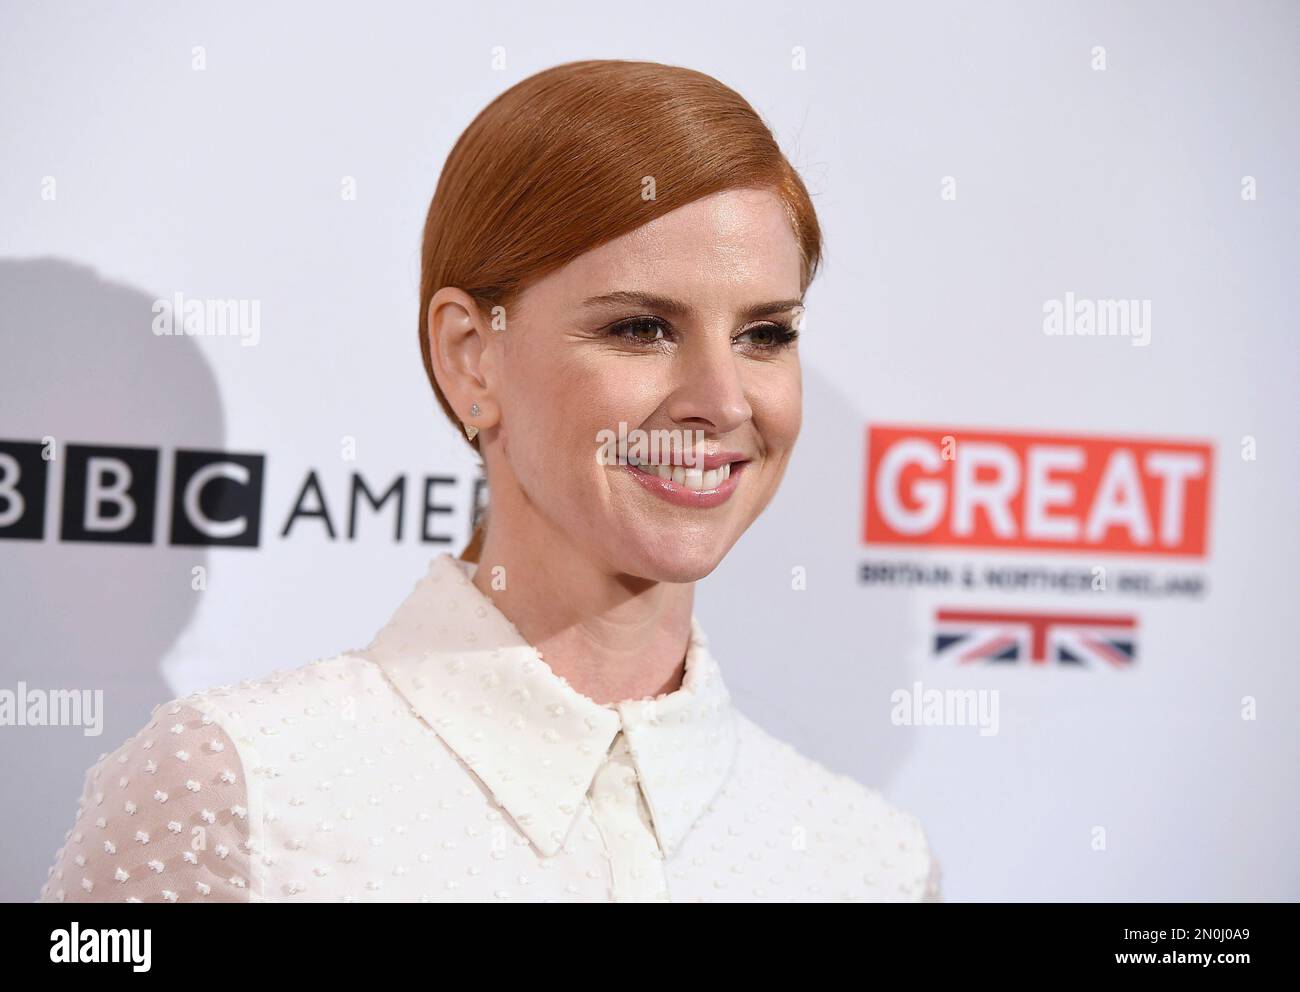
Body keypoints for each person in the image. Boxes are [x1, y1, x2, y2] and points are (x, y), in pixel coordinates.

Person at [38, 58, 941, 903]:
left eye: (766, 335)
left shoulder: (873, 864)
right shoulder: (236, 793)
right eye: (640, 328)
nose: (722, 400)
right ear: (471, 358)